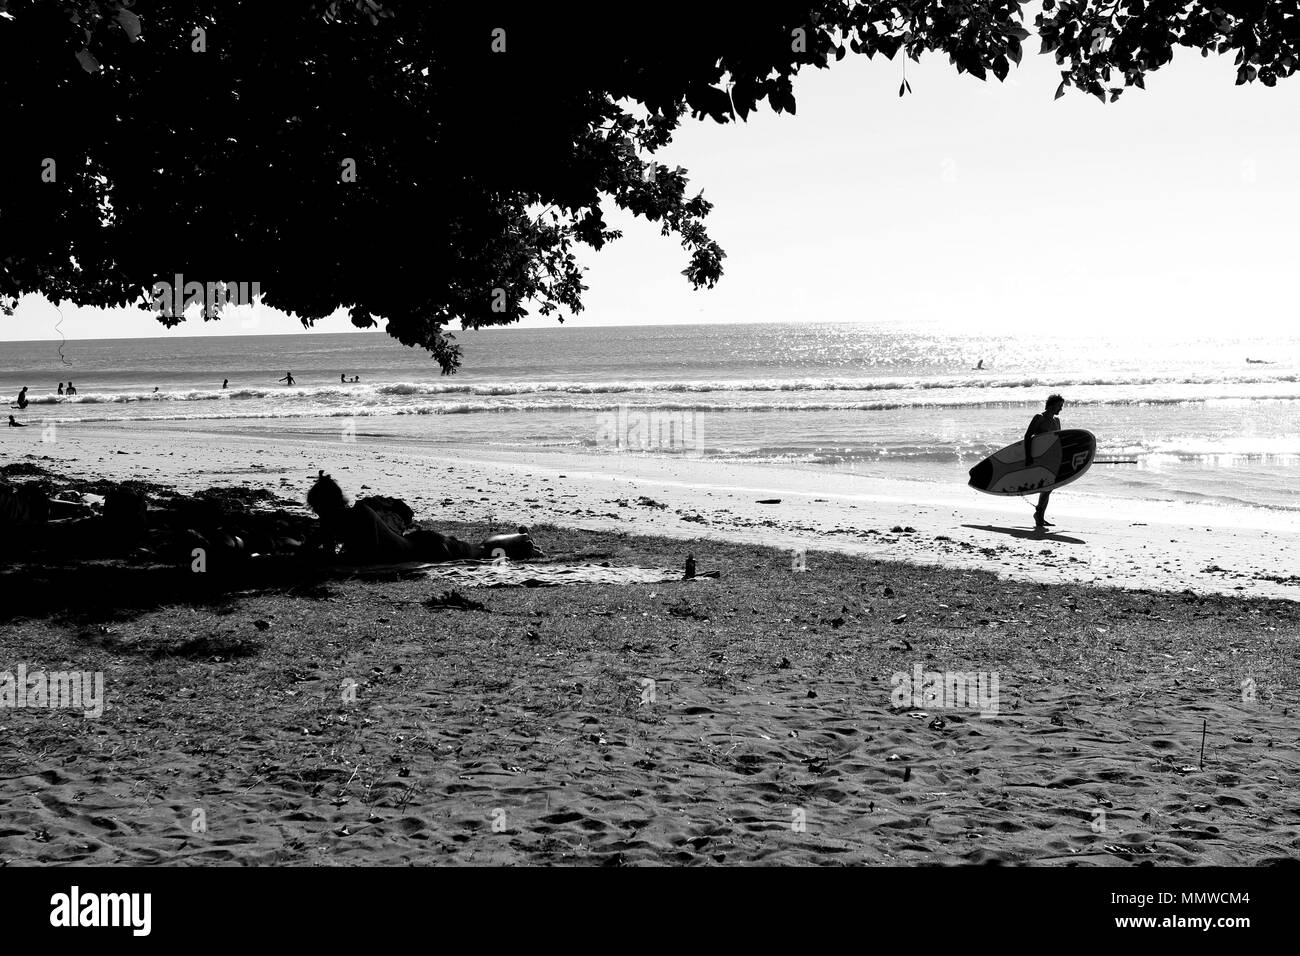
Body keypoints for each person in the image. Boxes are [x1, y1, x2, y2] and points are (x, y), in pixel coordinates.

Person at [1024, 393, 1065, 528]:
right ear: (1051, 405)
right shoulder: (1039, 418)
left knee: (1049, 488)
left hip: (1053, 458)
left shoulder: (1057, 421)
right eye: (1059, 406)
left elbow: (1058, 441)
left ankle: (1039, 515)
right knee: (1047, 487)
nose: (1061, 409)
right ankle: (1039, 515)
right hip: (1040, 458)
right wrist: (1028, 457)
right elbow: (1028, 436)